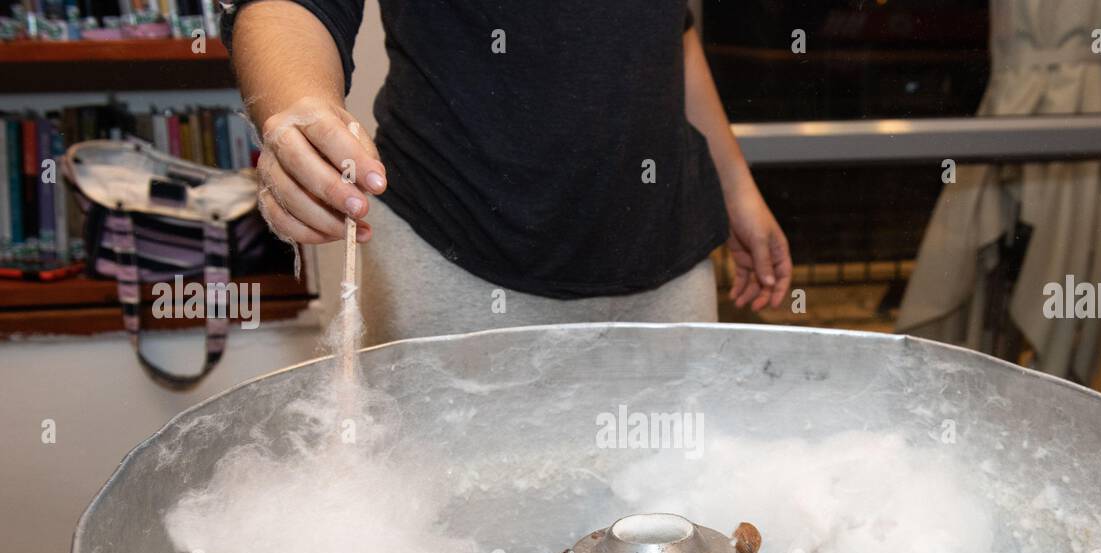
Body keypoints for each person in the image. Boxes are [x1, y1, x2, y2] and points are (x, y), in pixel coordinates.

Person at [224, 1, 792, 341]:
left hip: (666, 263)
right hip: (457, 262)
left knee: (674, 509)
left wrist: (737, 187)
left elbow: (670, 28)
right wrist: (296, 106)